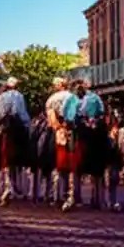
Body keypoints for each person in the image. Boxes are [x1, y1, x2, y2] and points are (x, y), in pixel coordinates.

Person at [0, 76, 30, 204]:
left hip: (4, 125)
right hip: (18, 126)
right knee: (26, 149)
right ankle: (20, 188)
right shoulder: (19, 96)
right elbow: (21, 112)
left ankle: (0, 186)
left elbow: (0, 113)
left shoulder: (1, 97)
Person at [45, 78, 77, 211]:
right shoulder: (72, 97)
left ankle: (56, 195)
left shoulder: (51, 99)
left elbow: (50, 119)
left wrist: (57, 127)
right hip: (71, 131)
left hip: (56, 132)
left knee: (53, 162)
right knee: (72, 165)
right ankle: (71, 195)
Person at [76, 82, 107, 209]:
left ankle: (77, 197)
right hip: (98, 139)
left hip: (85, 139)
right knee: (98, 171)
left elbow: (79, 114)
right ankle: (99, 199)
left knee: (78, 168)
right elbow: (102, 111)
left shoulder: (84, 100)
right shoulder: (97, 99)